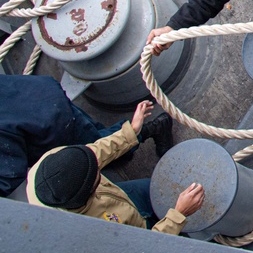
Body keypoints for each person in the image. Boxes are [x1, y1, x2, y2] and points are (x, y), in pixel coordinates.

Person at [26, 100, 203, 234]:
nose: (98, 165)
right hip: (129, 230)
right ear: (87, 195)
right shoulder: (89, 235)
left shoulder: (51, 162)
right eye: (96, 175)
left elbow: (95, 153)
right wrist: (178, 216)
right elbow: (142, 252)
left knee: (160, 188)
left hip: (119, 196)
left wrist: (130, 132)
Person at [0, 75, 173, 197]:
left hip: (53, 125)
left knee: (97, 147)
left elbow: (11, 173)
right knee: (91, 131)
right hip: (43, 97)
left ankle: (154, 128)